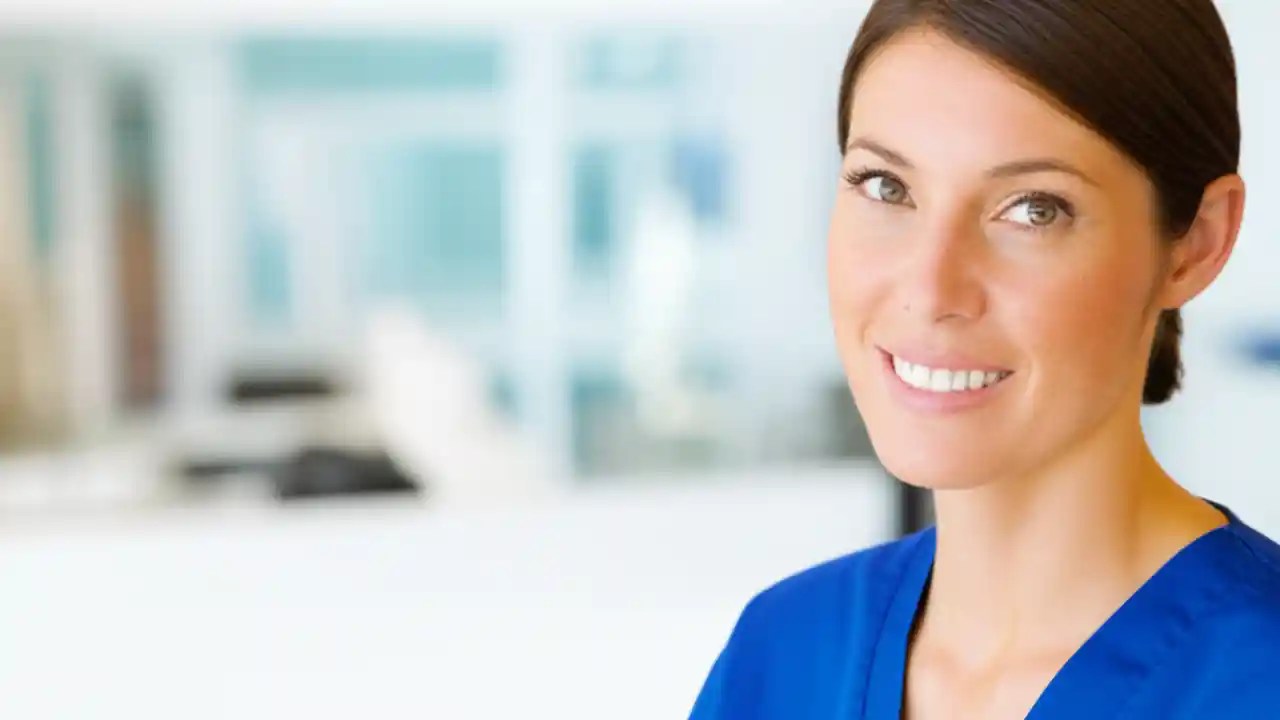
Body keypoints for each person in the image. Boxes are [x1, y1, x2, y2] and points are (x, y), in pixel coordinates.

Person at [689, 1, 1280, 718]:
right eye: (886, 186)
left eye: (1034, 209)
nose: (931, 291)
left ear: (1197, 243)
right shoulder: (783, 654)